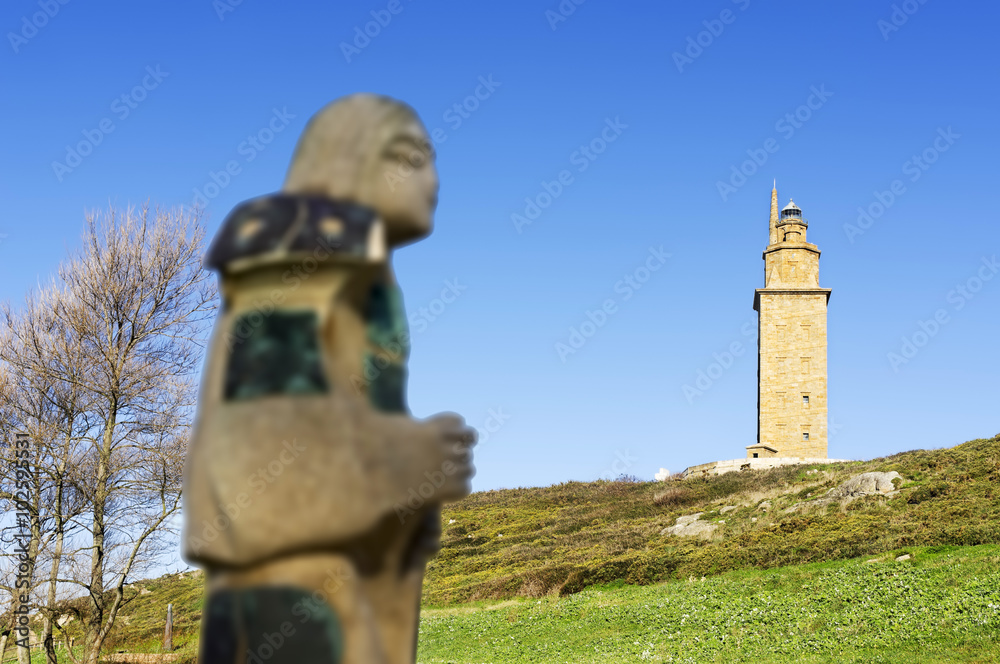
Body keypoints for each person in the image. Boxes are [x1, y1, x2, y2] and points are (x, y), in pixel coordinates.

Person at [184, 94, 476, 664]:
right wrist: (407, 459)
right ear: (350, 160)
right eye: (411, 157)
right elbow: (259, 469)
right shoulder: (297, 256)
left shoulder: (365, 278)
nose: (434, 180)